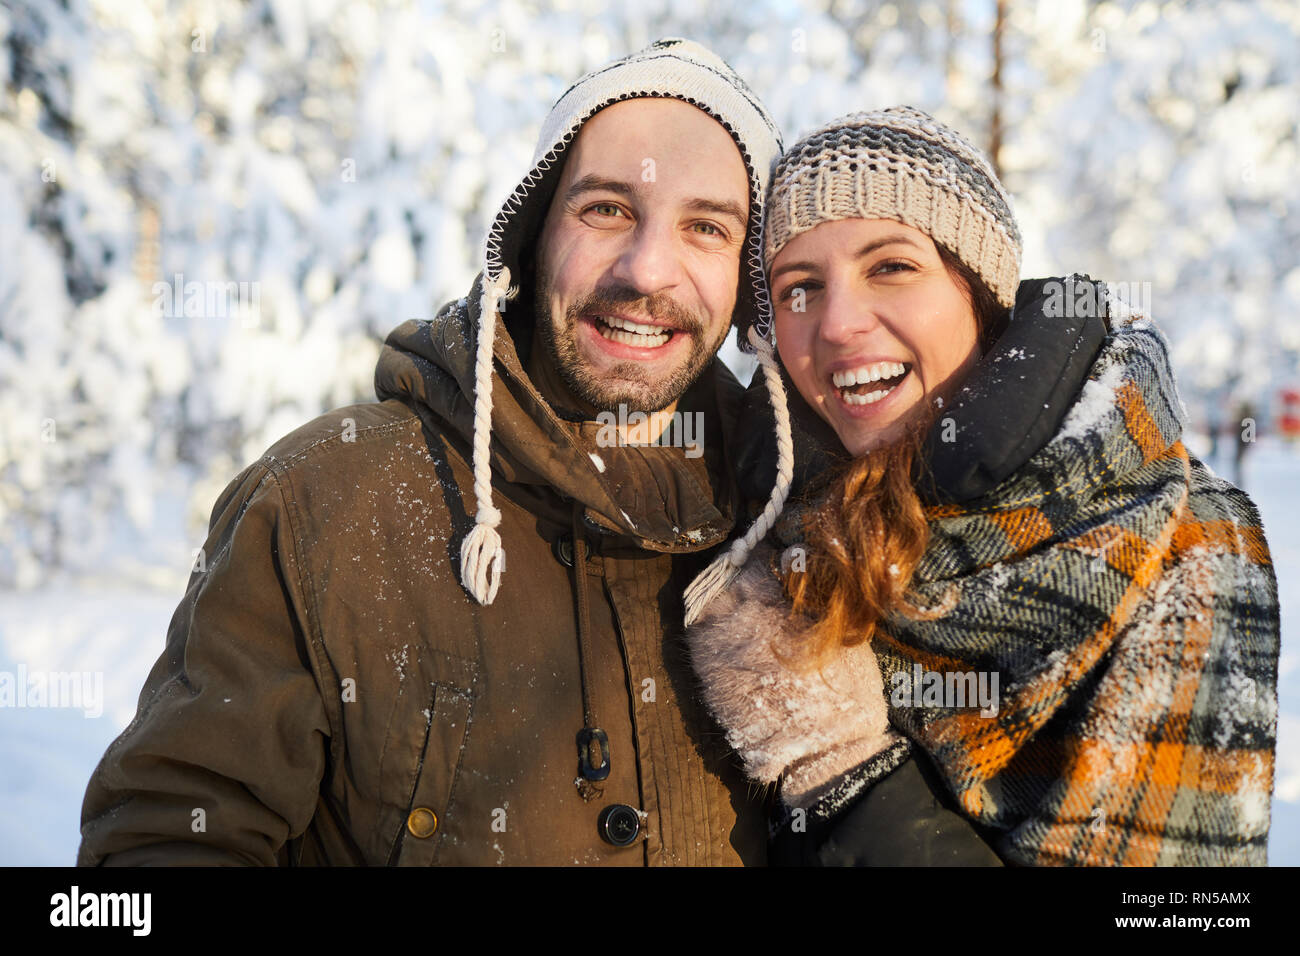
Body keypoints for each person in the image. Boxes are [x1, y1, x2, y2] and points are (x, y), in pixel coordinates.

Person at [77, 38, 785, 866]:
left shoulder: (804, 524)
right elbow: (161, 841)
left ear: (749, 283)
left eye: (707, 227)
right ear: (530, 240)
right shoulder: (325, 501)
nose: (647, 269)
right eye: (607, 210)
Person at [684, 107, 1281, 866]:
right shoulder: (766, 528)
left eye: (891, 266)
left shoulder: (1181, 541)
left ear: (981, 292)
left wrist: (840, 771)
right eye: (798, 287)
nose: (835, 323)